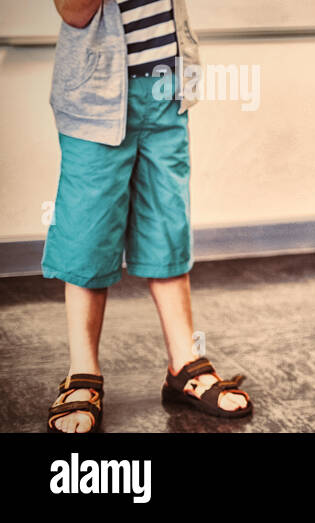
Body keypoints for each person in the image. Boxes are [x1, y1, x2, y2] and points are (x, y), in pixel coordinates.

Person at [45, 0, 251, 434]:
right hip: (95, 96)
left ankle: (184, 363)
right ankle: (82, 372)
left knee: (167, 228)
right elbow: (74, 12)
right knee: (88, 234)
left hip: (167, 88)